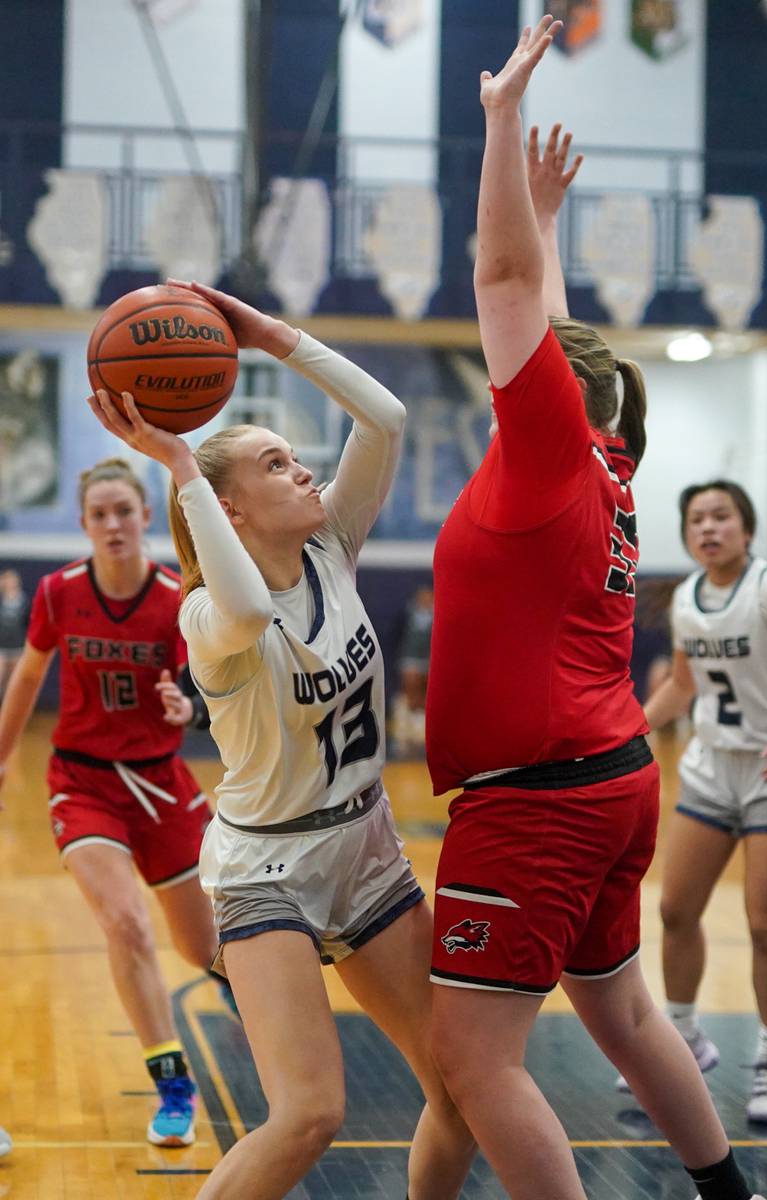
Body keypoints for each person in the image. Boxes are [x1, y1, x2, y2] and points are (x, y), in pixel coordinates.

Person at [423, 19, 764, 1200]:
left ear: (555, 404)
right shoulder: (604, 462)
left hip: (539, 798)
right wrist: (547, 215)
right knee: (619, 1012)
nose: (511, 364)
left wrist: (501, 121)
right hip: (609, 775)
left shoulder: (549, 456)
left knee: (470, 1057)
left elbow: (506, 284)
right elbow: (559, 330)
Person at [86, 280, 475, 1200]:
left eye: (296, 457)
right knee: (308, 1115)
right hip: (267, 870)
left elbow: (383, 416)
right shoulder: (205, 617)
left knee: (461, 1089)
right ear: (231, 507)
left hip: (368, 846)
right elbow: (251, 602)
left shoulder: (332, 546)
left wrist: (273, 337)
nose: (303, 471)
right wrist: (180, 466)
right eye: (276, 464)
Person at [0, 458, 225, 1148]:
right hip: (84, 781)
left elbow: (208, 689)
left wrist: (187, 704)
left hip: (161, 784)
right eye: (99, 514)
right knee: (124, 920)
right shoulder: (60, 591)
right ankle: (174, 1086)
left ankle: (270, 1022)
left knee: (202, 947)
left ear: (146, 518)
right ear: (83, 524)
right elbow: (29, 675)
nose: (113, 524)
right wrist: (2, 755)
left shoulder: (176, 597)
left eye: (124, 510)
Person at [634, 479, 767, 1124]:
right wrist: (632, 731)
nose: (709, 528)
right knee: (675, 910)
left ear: (747, 529)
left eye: (721, 517)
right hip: (709, 771)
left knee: (765, 926)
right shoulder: (687, 601)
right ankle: (682, 1042)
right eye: (697, 519)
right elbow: (683, 682)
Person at [392, 584, 434, 755]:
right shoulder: (407, 615)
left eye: (428, 597)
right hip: (410, 659)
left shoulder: (437, 616)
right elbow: (397, 637)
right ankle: (403, 736)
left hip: (428, 659)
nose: (425, 599)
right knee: (409, 694)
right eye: (422, 596)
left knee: (425, 696)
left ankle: (421, 734)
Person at [0, 569, 29, 701]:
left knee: (13, 683)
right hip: (2, 647)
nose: (9, 582)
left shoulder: (24, 601)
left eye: (12, 579)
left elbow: (29, 623)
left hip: (18, 646)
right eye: (6, 579)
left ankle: (9, 711)